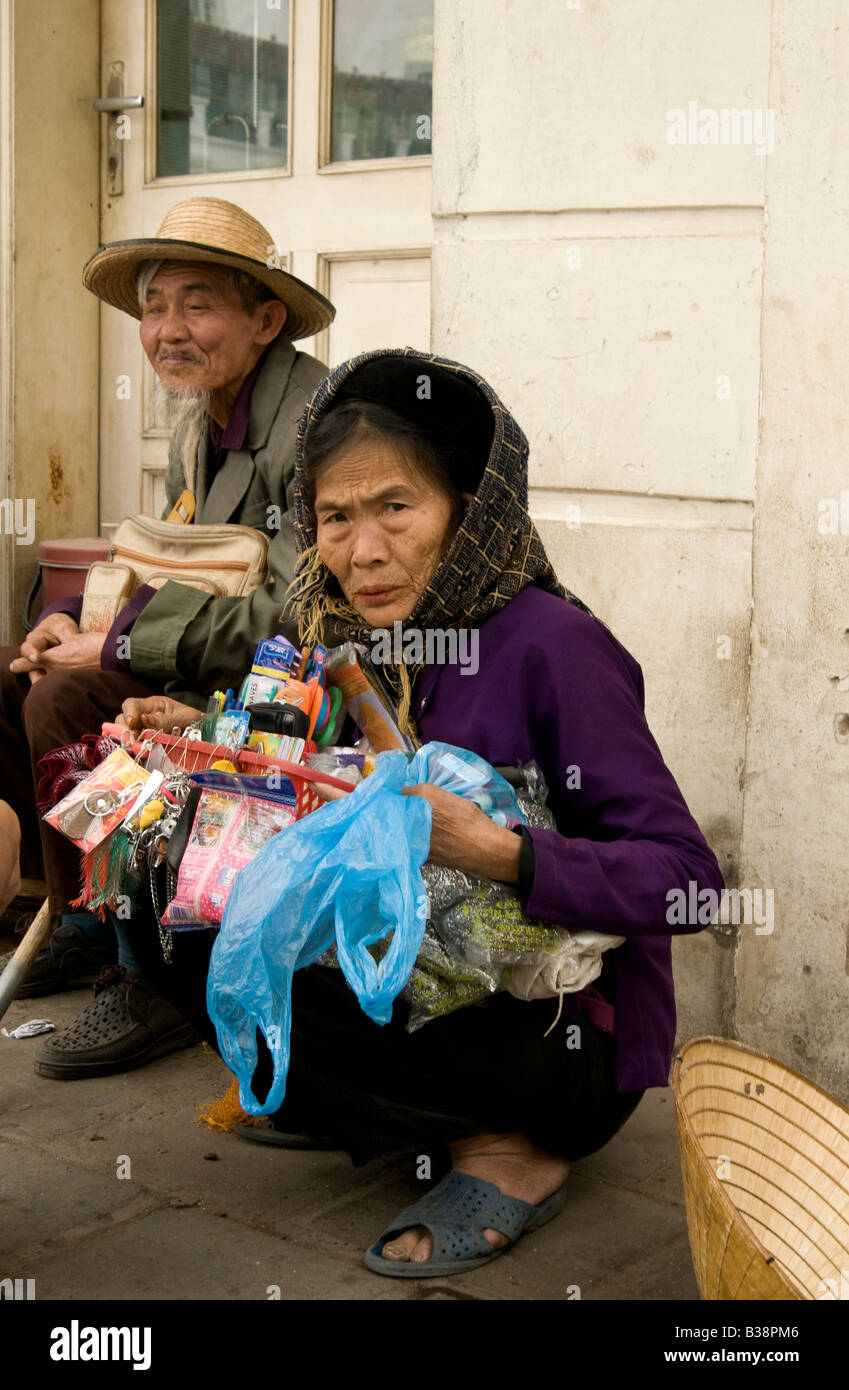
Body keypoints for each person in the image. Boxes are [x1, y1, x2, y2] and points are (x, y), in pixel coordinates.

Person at [113, 347, 725, 1278]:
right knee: (164, 888)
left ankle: (511, 1149)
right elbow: (321, 773)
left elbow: (690, 881)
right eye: (334, 517)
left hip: (556, 1046)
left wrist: (502, 852)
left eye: (396, 508)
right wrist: (207, 742)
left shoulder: (552, 646)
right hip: (424, 979)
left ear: (470, 511)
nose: (363, 552)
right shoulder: (338, 634)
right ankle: (376, 1109)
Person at [0, 196, 334, 1079]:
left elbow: (302, 618)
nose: (168, 330)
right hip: (213, 655)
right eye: (154, 306)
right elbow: (187, 567)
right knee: (14, 675)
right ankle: (81, 915)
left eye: (197, 304)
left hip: (289, 690)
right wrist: (74, 622)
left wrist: (113, 652)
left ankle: (149, 972)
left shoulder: (313, 429)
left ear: (265, 319)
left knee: (68, 701)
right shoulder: (200, 420)